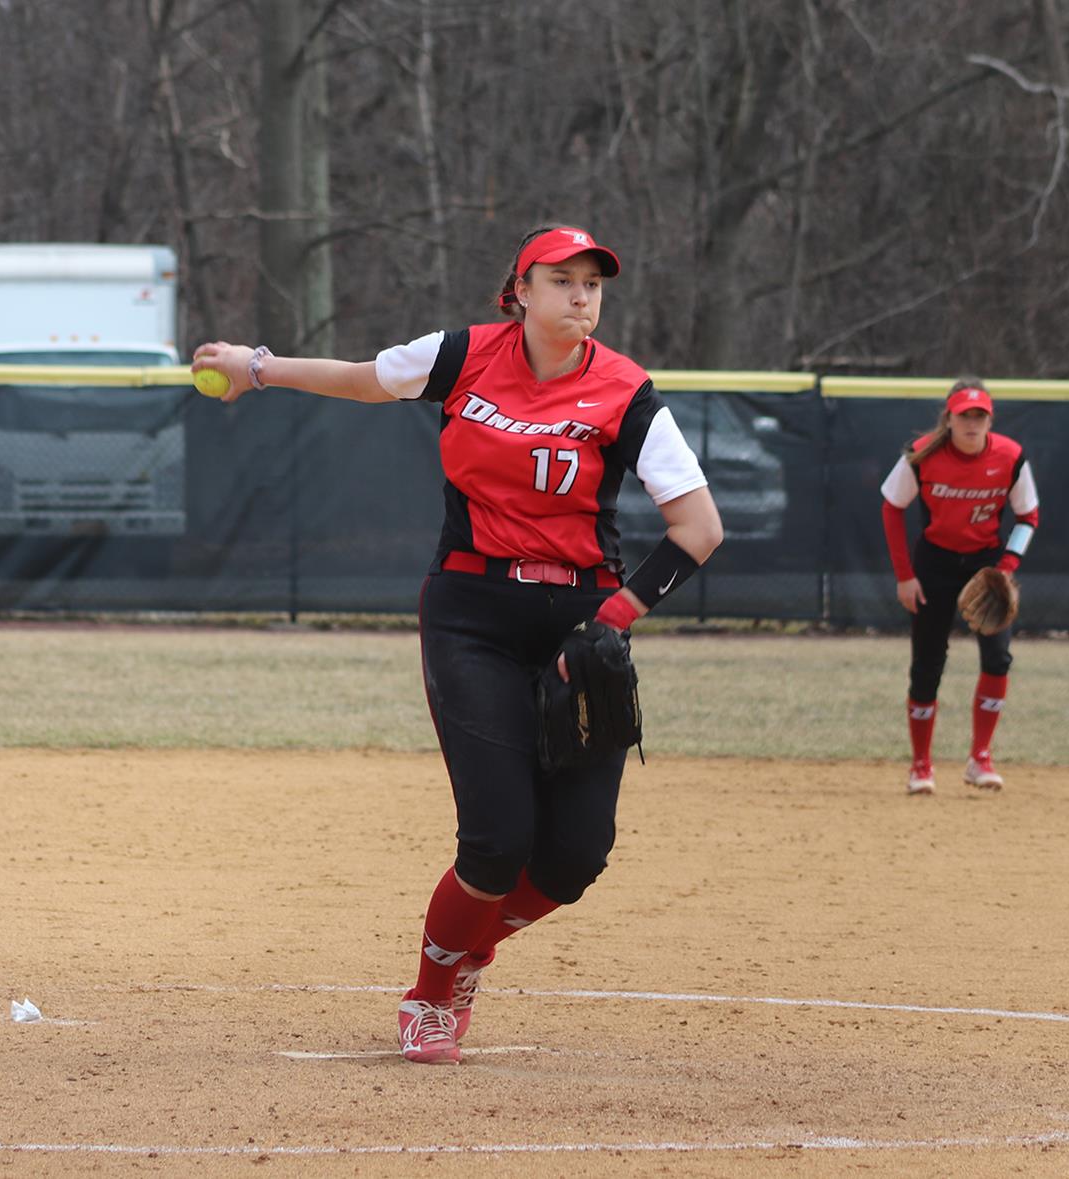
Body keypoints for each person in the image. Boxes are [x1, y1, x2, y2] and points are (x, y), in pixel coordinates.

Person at [191, 225, 723, 1064]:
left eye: (593, 282)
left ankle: (473, 947)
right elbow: (367, 380)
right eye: (562, 279)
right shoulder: (463, 354)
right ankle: (433, 990)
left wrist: (610, 622)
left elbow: (699, 528)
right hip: (472, 610)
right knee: (497, 836)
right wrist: (260, 368)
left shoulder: (626, 392)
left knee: (576, 856)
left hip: (578, 626)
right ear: (519, 290)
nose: (581, 295)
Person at [878, 377, 1040, 795]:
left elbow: (1029, 517)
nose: (972, 423)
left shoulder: (1010, 456)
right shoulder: (922, 455)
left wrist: (1005, 568)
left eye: (979, 416)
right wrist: (905, 576)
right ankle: (921, 765)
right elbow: (892, 508)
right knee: (928, 664)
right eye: (964, 415)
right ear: (949, 418)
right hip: (934, 564)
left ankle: (980, 758)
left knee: (998, 658)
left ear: (990, 419)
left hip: (986, 566)